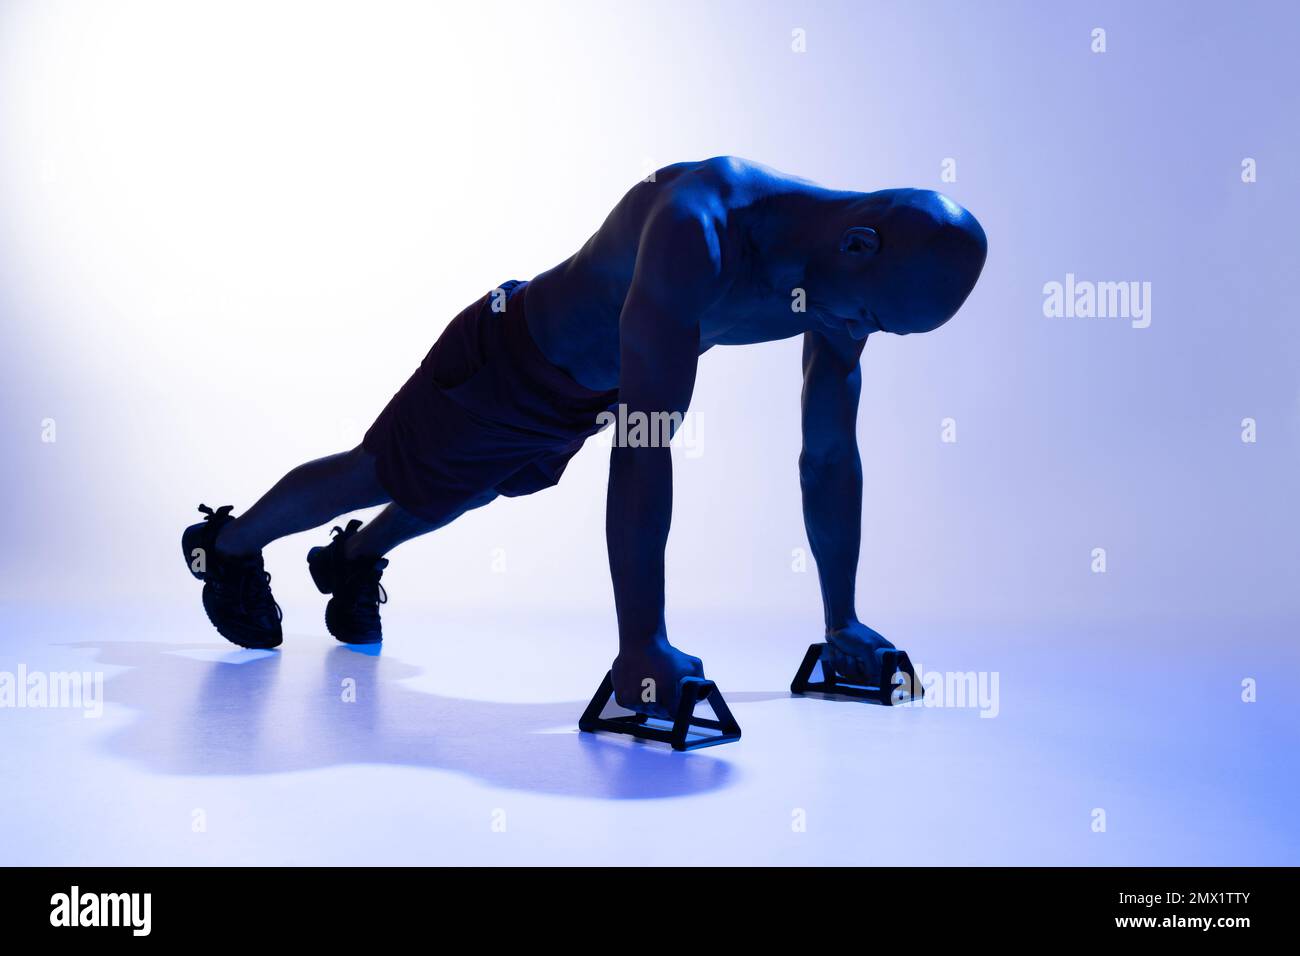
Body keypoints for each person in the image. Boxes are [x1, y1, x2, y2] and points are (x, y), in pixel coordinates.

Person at [183, 156, 987, 719]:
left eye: (877, 327)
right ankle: (228, 545)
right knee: (383, 472)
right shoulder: (699, 224)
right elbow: (646, 439)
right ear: (858, 244)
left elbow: (828, 456)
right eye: (866, 315)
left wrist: (840, 619)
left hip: (586, 395)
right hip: (507, 354)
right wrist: (643, 647)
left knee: (461, 491)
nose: (855, 331)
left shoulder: (847, 291)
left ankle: (353, 560)